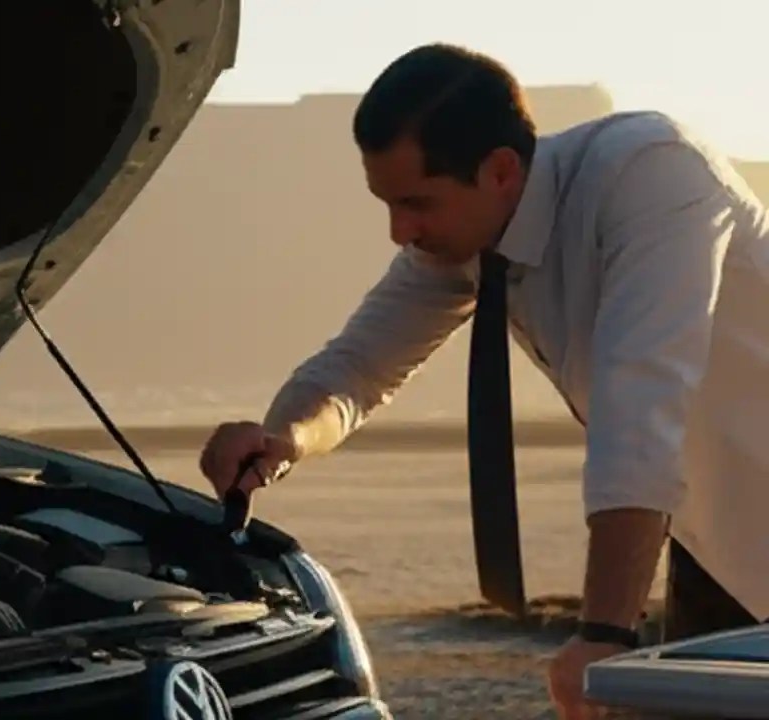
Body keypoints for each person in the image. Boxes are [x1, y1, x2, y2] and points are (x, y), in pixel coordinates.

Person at [198, 43, 768, 720]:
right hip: (714, 545)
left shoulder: (652, 176)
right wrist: (281, 439)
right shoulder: (466, 240)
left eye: (416, 203)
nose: (399, 231)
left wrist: (604, 632)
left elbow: (640, 406)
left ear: (499, 170)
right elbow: (356, 366)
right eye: (388, 204)